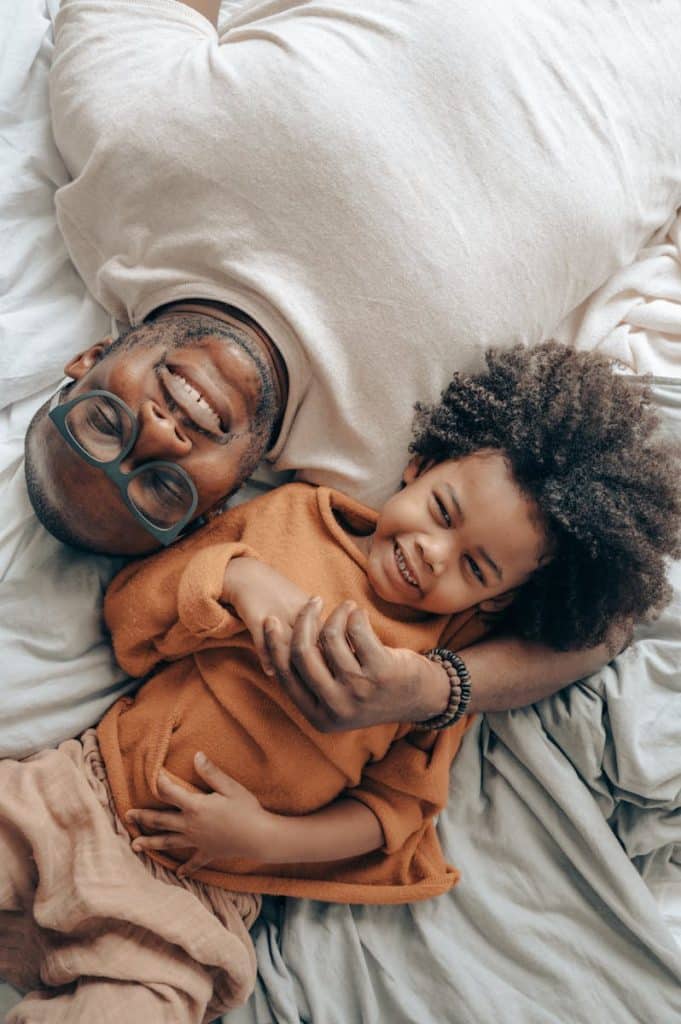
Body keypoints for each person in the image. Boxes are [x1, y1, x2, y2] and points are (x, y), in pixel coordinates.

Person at [23, 0, 681, 724]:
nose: (157, 437)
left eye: (104, 426)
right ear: (213, 511)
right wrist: (435, 689)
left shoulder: (122, 158)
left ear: (85, 359)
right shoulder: (381, 477)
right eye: (162, 488)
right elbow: (607, 614)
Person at [2, 345, 679, 1021]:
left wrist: (266, 841)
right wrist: (238, 578)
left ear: (499, 601)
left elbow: (393, 813)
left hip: (188, 894)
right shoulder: (294, 517)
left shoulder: (444, 663)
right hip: (78, 793)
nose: (431, 553)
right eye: (441, 511)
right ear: (416, 467)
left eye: (475, 569)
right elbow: (132, 611)